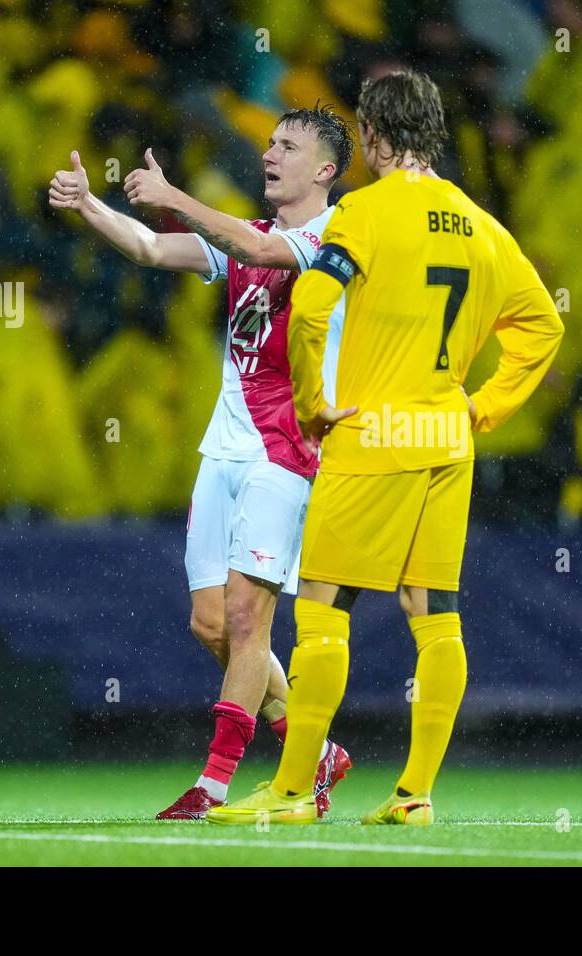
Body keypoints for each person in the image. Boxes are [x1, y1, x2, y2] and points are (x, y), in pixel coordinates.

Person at [208, 70, 564, 827]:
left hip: (371, 435)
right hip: (446, 437)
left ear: (370, 135)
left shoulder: (362, 214)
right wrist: (483, 407)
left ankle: (295, 789)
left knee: (324, 612)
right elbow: (544, 328)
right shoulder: (481, 224)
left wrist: (310, 405)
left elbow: (309, 306)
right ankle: (415, 794)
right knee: (436, 616)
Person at [48, 106, 355, 820]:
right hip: (223, 448)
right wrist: (90, 204)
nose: (271, 153)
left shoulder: (332, 238)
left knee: (251, 620)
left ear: (326, 171)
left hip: (285, 451)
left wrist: (177, 197)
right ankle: (316, 750)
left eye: (289, 146)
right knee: (210, 625)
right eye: (270, 142)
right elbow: (155, 251)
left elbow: (260, 247)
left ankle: (211, 785)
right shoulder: (253, 236)